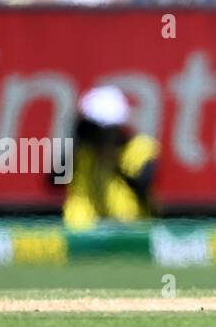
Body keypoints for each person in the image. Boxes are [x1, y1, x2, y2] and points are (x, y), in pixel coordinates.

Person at [61, 86, 159, 230]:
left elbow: (143, 186)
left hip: (131, 232)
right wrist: (76, 140)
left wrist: (114, 161)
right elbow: (54, 180)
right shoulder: (82, 153)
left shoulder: (140, 148)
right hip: (85, 235)